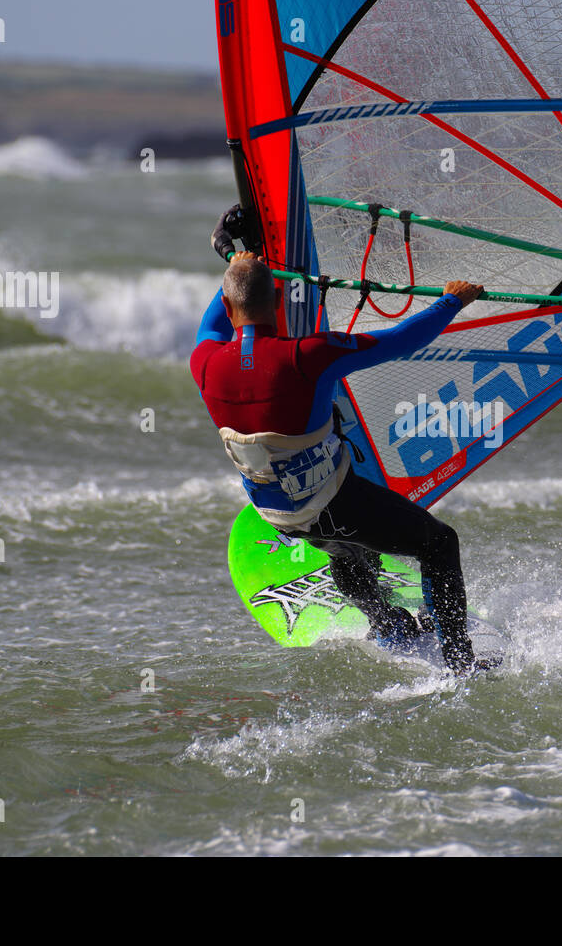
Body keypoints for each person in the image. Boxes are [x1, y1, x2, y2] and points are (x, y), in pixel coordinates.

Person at [192, 239, 492, 675]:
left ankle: (391, 623)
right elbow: (401, 340)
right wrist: (451, 301)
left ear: (225, 302)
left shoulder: (203, 361)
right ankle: (460, 663)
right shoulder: (308, 356)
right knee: (439, 544)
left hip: (275, 511)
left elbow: (213, 321)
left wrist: (236, 264)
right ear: (278, 299)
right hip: (328, 502)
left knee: (349, 547)